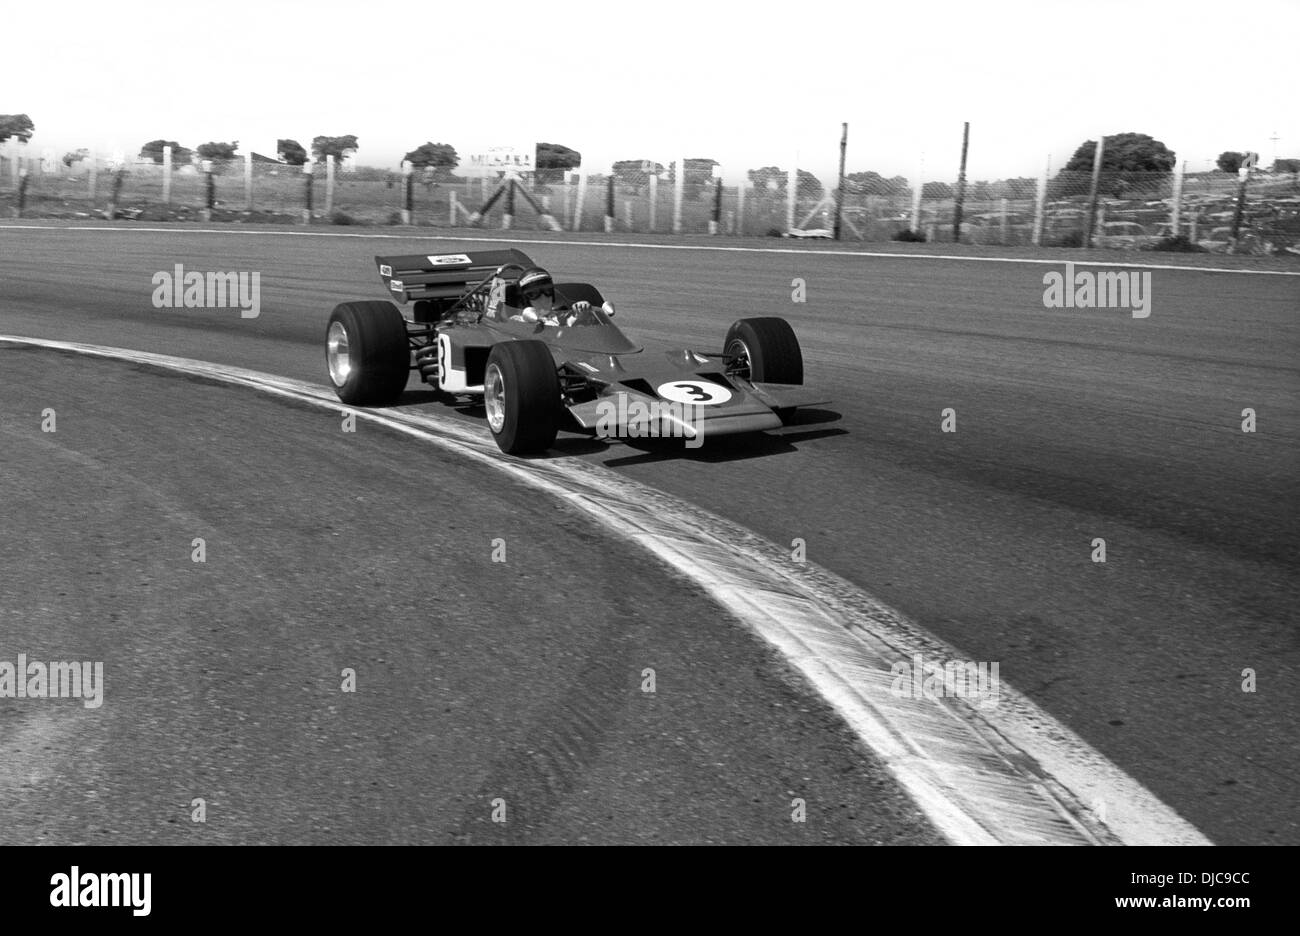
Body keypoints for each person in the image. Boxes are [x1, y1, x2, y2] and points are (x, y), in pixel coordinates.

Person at [513, 267, 591, 326]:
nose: (543, 298)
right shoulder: (518, 321)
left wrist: (581, 313)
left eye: (547, 291)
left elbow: (570, 322)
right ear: (525, 299)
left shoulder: (558, 317)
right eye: (534, 294)